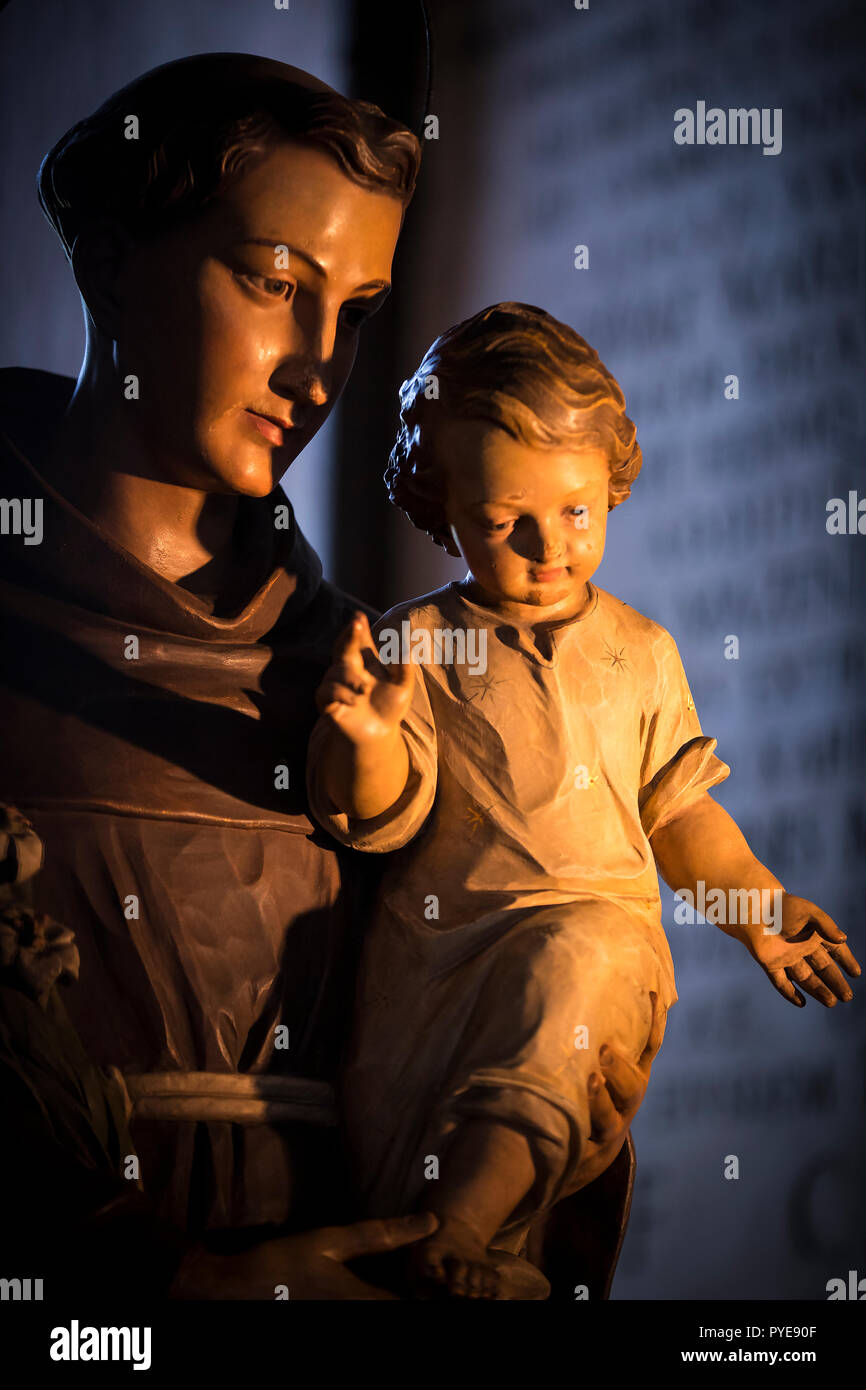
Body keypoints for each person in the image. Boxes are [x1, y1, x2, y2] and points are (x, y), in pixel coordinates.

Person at [0, 59, 638, 1300]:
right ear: (112, 261)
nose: (317, 365)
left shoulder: (383, 675)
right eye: (274, 282)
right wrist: (167, 1285)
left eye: (355, 310)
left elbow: (496, 982)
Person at [306, 302, 860, 1299]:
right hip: (441, 965)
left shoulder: (642, 653)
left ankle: (465, 1230)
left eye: (574, 511)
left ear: (610, 483)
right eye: (499, 517)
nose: (545, 545)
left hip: (600, 945)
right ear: (440, 503)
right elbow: (378, 817)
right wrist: (366, 737)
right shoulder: (417, 646)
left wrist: (758, 912)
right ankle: (482, 1252)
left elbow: (680, 815)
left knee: (580, 955)